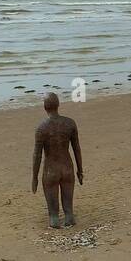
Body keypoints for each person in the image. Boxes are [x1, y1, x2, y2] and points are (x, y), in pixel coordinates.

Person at [31, 92, 84, 228]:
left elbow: (37, 155)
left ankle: (55, 220)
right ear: (58, 105)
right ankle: (69, 217)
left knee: (53, 216)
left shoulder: (41, 128)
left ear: (44, 107)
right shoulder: (70, 123)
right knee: (69, 211)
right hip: (67, 168)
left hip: (51, 170)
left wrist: (35, 177)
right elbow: (76, 148)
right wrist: (80, 170)